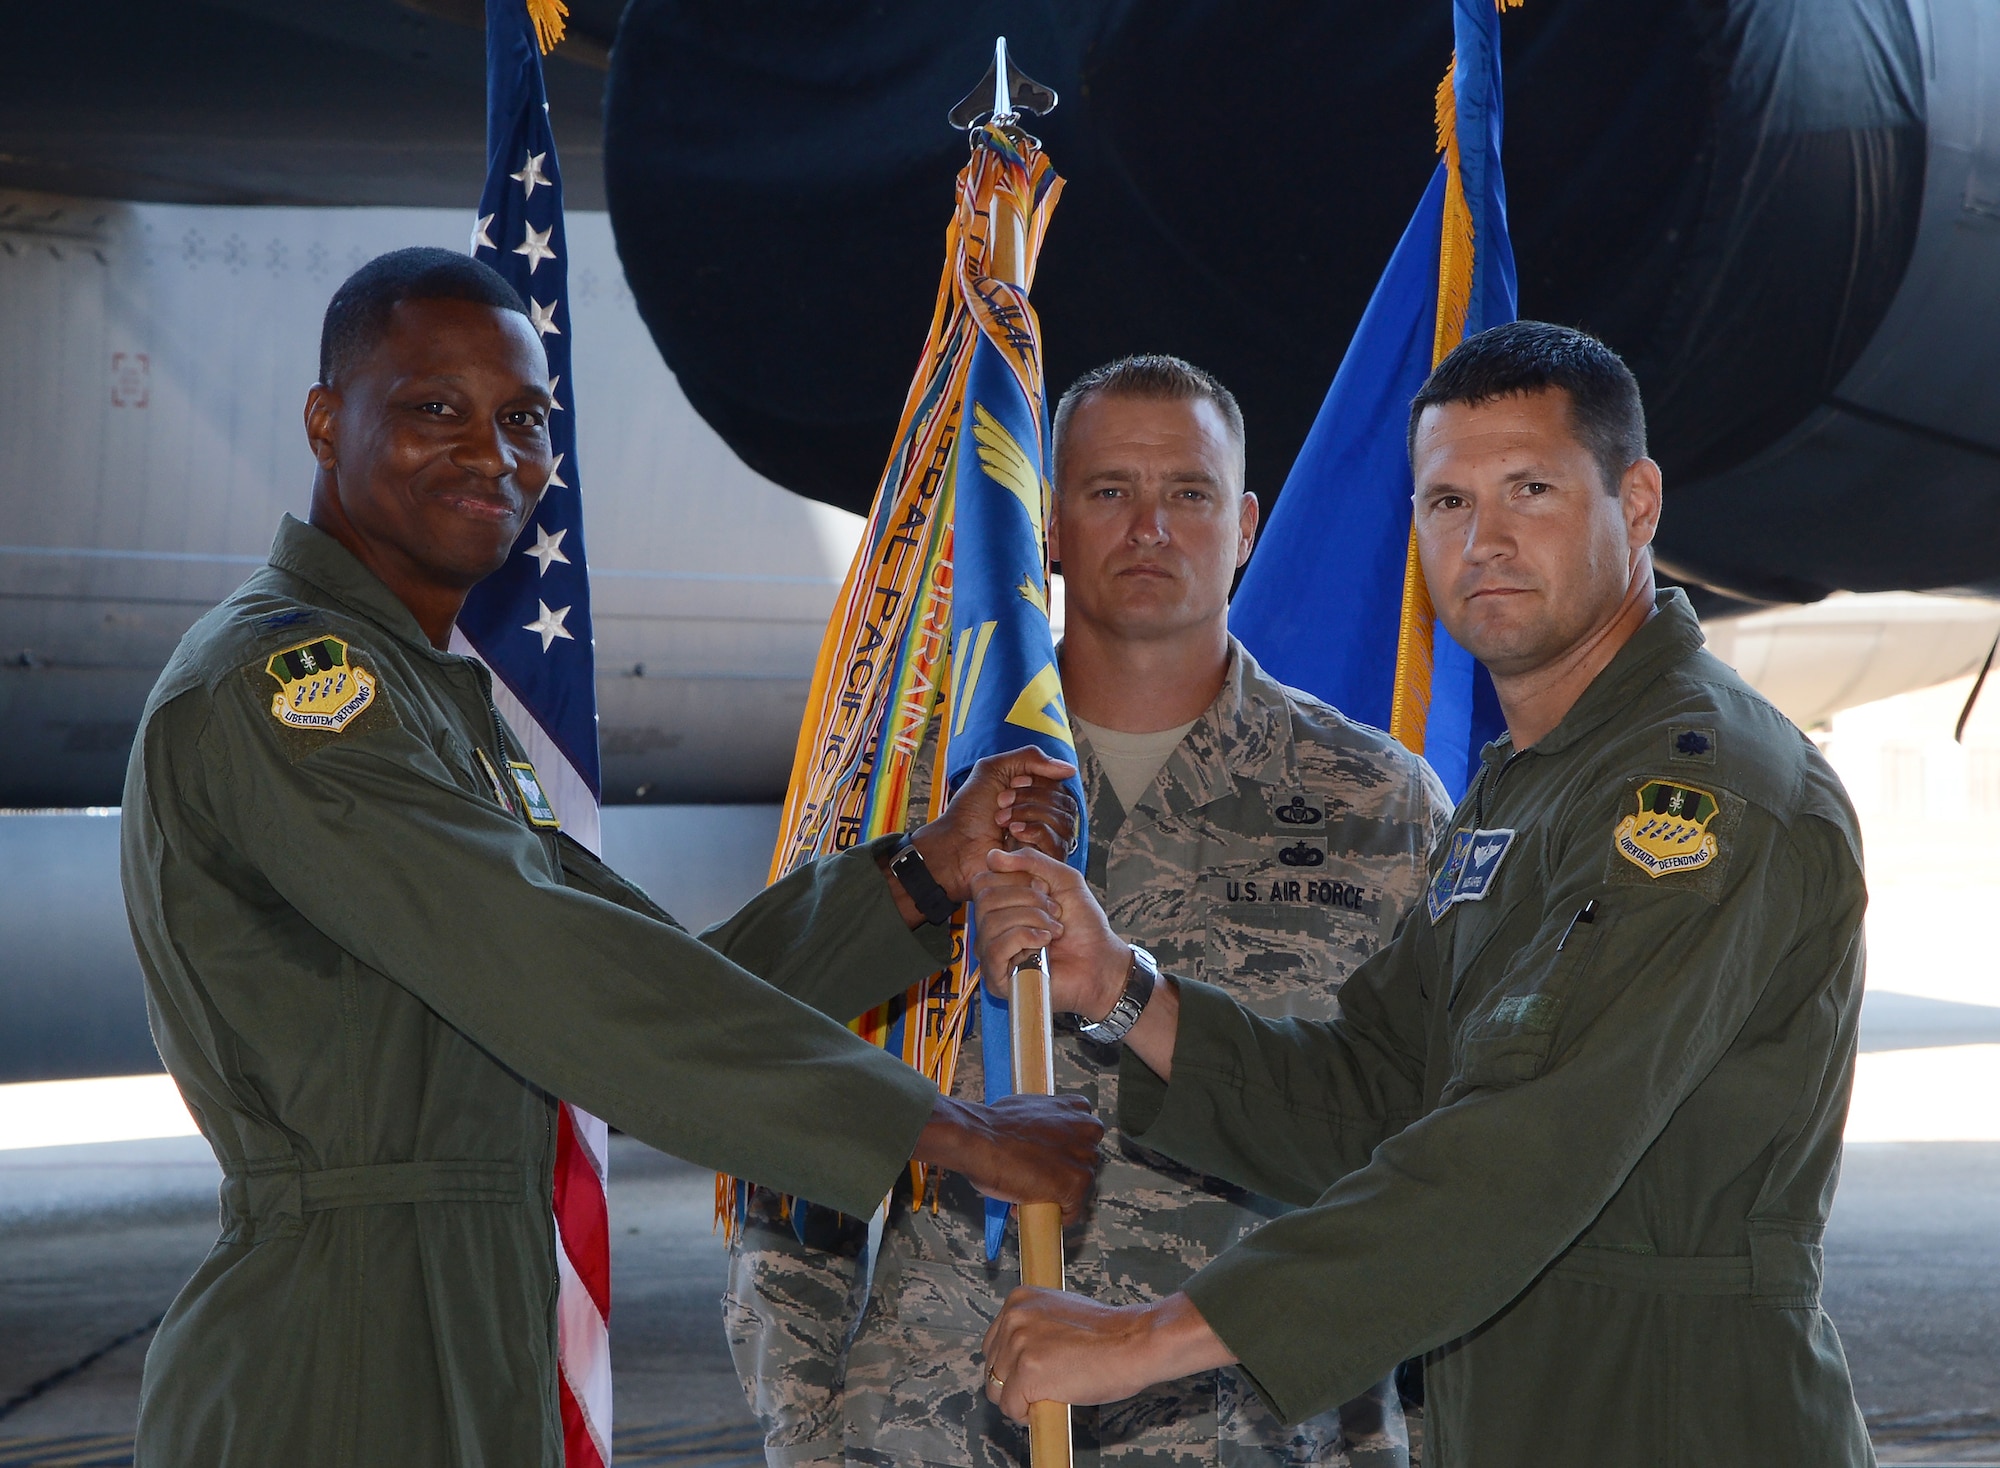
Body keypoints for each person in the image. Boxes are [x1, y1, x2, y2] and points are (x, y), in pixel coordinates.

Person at [119, 247, 1104, 1468]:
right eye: (436, 408)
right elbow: (548, 966)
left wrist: (918, 874)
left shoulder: (431, 698)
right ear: (327, 421)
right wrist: (945, 1127)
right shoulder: (290, 690)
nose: (494, 454)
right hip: (340, 1347)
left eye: (525, 419)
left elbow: (635, 978)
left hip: (469, 1318)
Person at [971, 322, 1875, 1467]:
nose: (1483, 541)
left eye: (1529, 490)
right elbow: (1377, 1097)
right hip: (1520, 1409)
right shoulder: (1531, 786)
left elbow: (1514, 1152)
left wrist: (1151, 1337)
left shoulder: (1697, 799)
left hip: (1673, 1412)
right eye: (1446, 503)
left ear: (1635, 502)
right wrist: (1126, 991)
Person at [726, 356, 1448, 1468]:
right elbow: (789, 1120)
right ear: (1048, 527)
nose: (1149, 527)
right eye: (1109, 491)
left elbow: (1437, 1148)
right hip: (945, 1424)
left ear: (1245, 522)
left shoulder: (1380, 805)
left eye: (1189, 493)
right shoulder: (924, 807)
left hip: (1258, 1427)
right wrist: (813, 1432)